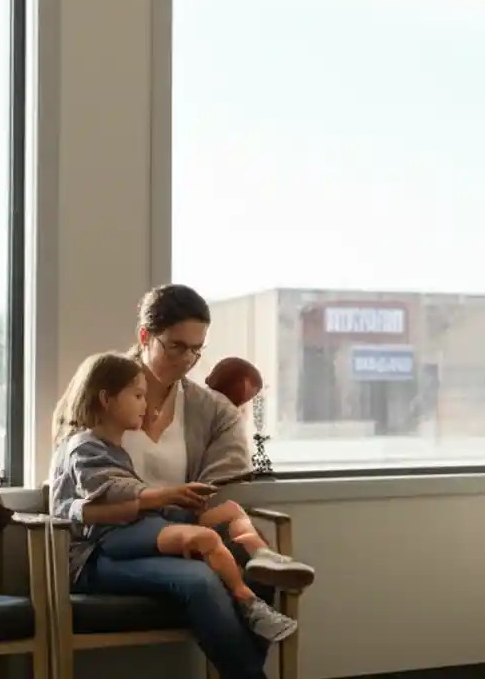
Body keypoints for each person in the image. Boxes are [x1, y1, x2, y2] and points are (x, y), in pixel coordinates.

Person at [51, 284, 311, 679]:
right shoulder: (101, 386)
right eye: (176, 346)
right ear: (145, 336)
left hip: (175, 530)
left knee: (254, 564)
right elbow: (69, 494)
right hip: (103, 547)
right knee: (202, 581)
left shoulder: (208, 408)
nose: (188, 359)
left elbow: (219, 483)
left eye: (197, 349)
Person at [49, 352, 299, 644]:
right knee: (204, 545)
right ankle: (247, 602)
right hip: (108, 539)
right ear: (106, 399)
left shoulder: (114, 447)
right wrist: (169, 495)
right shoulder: (84, 446)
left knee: (230, 512)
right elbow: (110, 490)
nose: (146, 404)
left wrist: (178, 499)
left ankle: (265, 558)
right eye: (139, 396)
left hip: (137, 523)